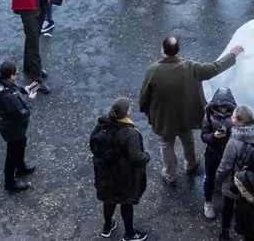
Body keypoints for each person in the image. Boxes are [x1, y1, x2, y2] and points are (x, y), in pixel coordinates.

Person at [138, 36, 242, 186]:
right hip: (186, 117)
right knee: (187, 139)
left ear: (162, 50)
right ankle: (191, 164)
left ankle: (170, 174)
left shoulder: (153, 71)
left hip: (163, 119)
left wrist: (145, 110)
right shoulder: (191, 67)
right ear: (178, 50)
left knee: (166, 145)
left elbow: (144, 96)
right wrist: (233, 54)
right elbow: (215, 68)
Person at [90, 97, 151, 241]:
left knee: (109, 199)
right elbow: (136, 157)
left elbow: (93, 145)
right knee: (126, 201)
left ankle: (107, 227)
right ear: (127, 113)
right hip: (124, 174)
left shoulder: (102, 125)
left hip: (105, 172)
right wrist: (146, 156)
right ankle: (130, 234)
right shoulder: (130, 133)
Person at [215, 105, 254, 239]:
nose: (231, 117)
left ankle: (225, 232)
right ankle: (247, 233)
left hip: (236, 180)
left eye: (233, 116)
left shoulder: (234, 141)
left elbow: (225, 164)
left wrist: (218, 179)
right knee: (250, 209)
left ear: (239, 122)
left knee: (228, 204)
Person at [0, 60, 39, 192]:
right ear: (10, 75)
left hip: (8, 125)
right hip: (12, 128)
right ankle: (9, 183)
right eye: (16, 73)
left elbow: (13, 88)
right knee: (12, 153)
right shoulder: (7, 96)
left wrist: (24, 89)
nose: (17, 75)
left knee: (21, 143)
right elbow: (21, 113)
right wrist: (30, 100)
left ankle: (21, 167)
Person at [200, 87, 237, 219]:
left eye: (226, 106)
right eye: (220, 105)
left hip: (229, 154)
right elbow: (203, 136)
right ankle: (208, 202)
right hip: (212, 152)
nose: (223, 108)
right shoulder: (209, 115)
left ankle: (227, 198)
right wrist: (213, 136)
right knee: (209, 177)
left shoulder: (235, 116)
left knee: (230, 178)